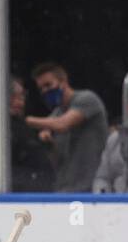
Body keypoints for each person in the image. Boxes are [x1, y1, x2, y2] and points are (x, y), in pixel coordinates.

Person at [25, 61, 109, 193]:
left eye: (48, 85)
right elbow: (57, 160)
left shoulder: (87, 99)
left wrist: (27, 120)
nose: (45, 91)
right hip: (64, 190)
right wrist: (48, 144)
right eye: (41, 88)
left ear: (63, 82)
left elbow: (62, 124)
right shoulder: (56, 114)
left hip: (92, 191)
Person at [9, 75, 55, 192]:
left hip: (41, 193)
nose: (19, 102)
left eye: (22, 96)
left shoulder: (23, 125)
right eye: (13, 96)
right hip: (18, 196)